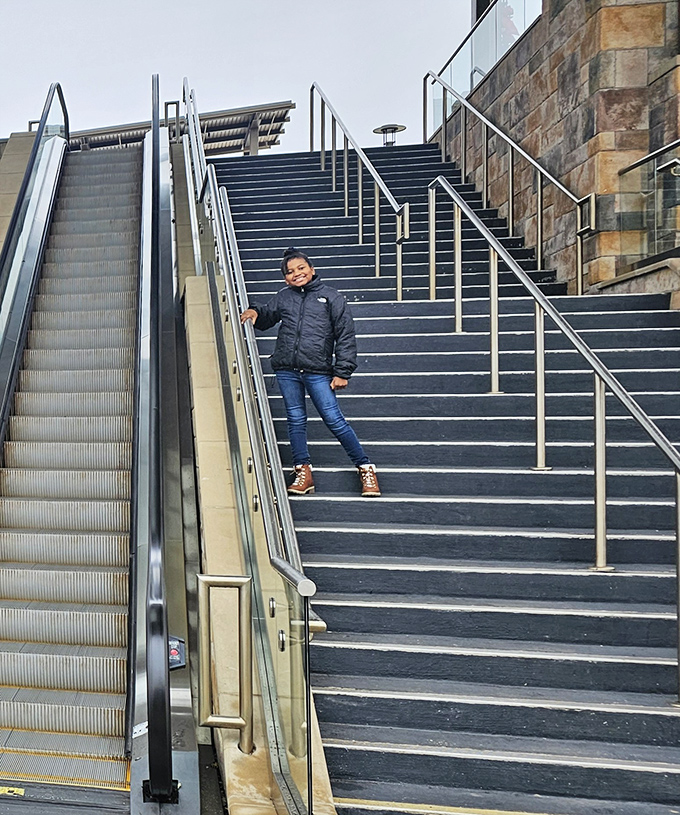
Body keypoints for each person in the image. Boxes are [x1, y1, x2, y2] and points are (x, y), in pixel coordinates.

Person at [240, 247, 381, 497]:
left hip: (318, 371)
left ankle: (365, 467)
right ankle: (303, 472)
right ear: (285, 278)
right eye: (290, 271)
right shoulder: (284, 297)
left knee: (334, 419)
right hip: (287, 370)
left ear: (312, 269)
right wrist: (255, 311)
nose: (296, 273)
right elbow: (267, 317)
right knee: (295, 420)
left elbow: (345, 336)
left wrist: (343, 372)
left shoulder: (332, 297)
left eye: (301, 268)